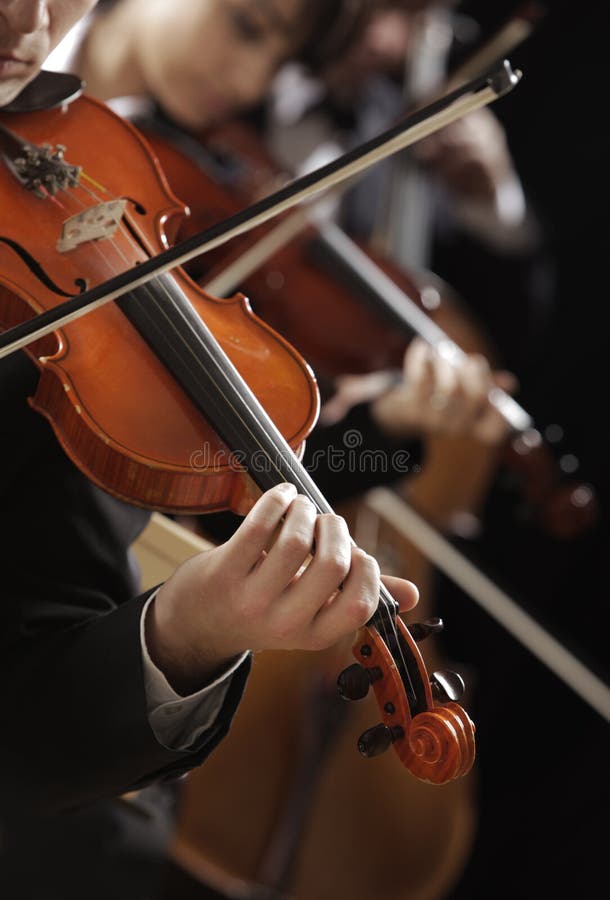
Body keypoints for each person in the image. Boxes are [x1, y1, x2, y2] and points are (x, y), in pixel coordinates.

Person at [0, 2, 422, 898]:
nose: (30, 21)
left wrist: (192, 630)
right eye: (245, 24)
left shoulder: (77, 180)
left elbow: (34, 691)